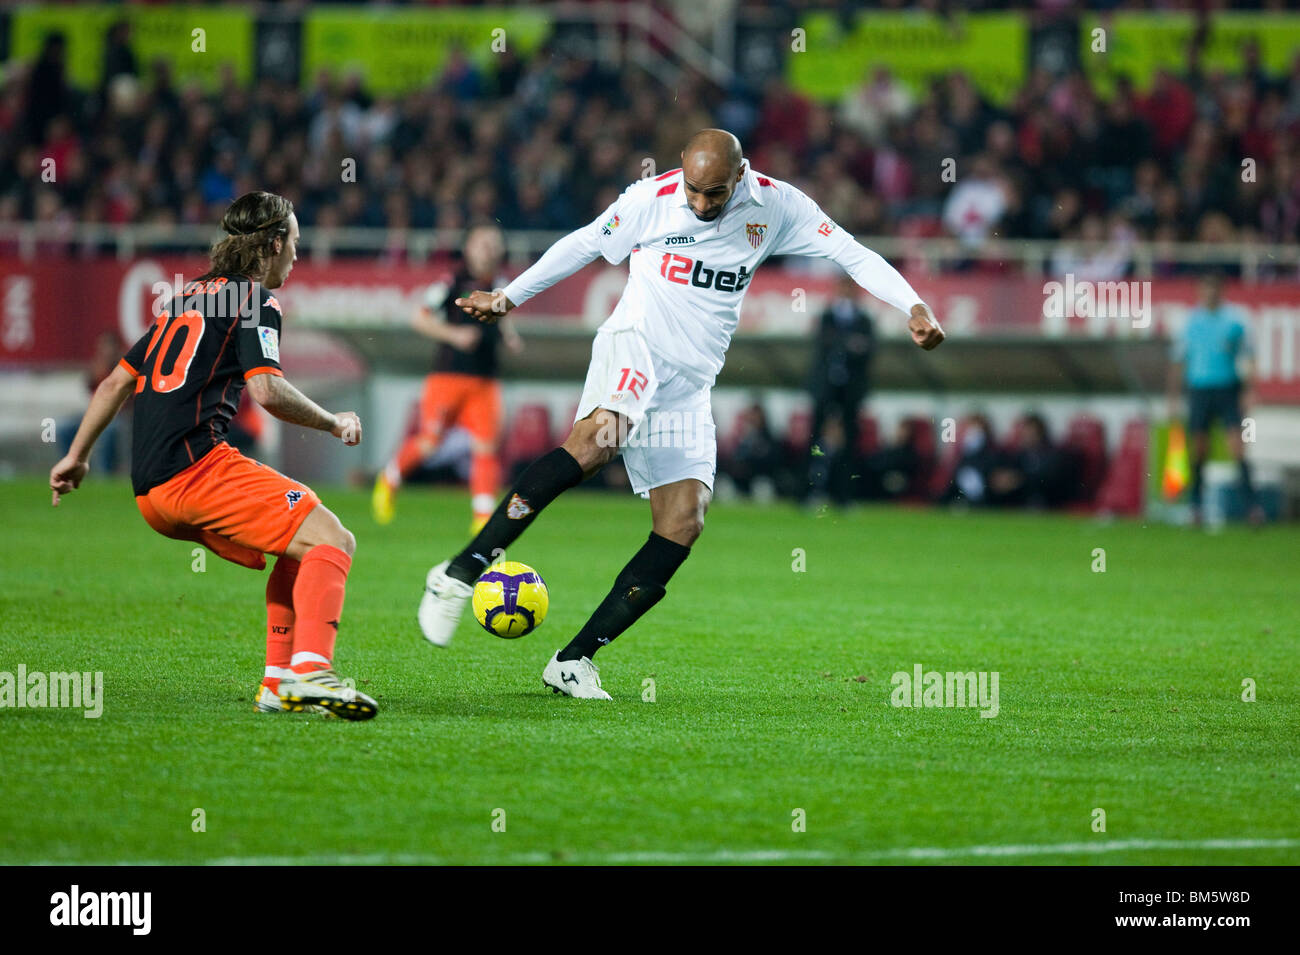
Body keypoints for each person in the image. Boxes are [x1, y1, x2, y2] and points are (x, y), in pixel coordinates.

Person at [417, 129, 944, 699]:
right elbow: (587, 242)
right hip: (636, 344)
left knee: (683, 523)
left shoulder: (778, 206)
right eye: (693, 189)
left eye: (713, 193)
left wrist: (913, 304)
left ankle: (573, 661)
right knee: (598, 441)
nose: (699, 204)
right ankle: (460, 571)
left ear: (739, 177)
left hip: (690, 382)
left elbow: (851, 252)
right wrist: (510, 296)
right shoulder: (651, 200)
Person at [49, 191, 377, 720]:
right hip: (195, 470)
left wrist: (76, 456)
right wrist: (333, 422)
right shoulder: (254, 300)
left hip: (149, 491)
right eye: (294, 241)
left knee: (302, 543)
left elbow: (115, 382)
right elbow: (268, 392)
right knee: (334, 539)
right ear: (272, 243)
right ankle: (313, 672)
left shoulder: (188, 299)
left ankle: (278, 683)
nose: (297, 254)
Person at [373, 224, 522, 531]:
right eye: (482, 243)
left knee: (485, 447)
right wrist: (454, 335)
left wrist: (509, 336)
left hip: (485, 380)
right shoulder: (452, 282)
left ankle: (482, 519)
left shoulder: (502, 284)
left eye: (493, 244)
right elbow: (419, 318)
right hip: (448, 377)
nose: (488, 250)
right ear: (468, 248)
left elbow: (503, 319)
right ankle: (390, 477)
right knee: (430, 442)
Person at [1165, 271, 1261, 525]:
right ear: (1199, 292)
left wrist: (1250, 391)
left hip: (1228, 389)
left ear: (1222, 291)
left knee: (1237, 447)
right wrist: (1173, 398)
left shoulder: (1235, 321)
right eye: (1205, 289)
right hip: (1199, 390)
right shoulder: (1190, 322)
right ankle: (1196, 507)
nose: (1210, 294)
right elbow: (1177, 362)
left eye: (1214, 289)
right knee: (1198, 450)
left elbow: (1250, 356)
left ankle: (1251, 508)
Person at [807, 273, 875, 505]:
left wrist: (842, 343)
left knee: (850, 442)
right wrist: (849, 344)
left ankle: (843, 495)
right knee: (815, 439)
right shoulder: (827, 316)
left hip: (851, 389)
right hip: (825, 387)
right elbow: (823, 343)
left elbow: (868, 350)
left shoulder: (864, 319)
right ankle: (808, 492)